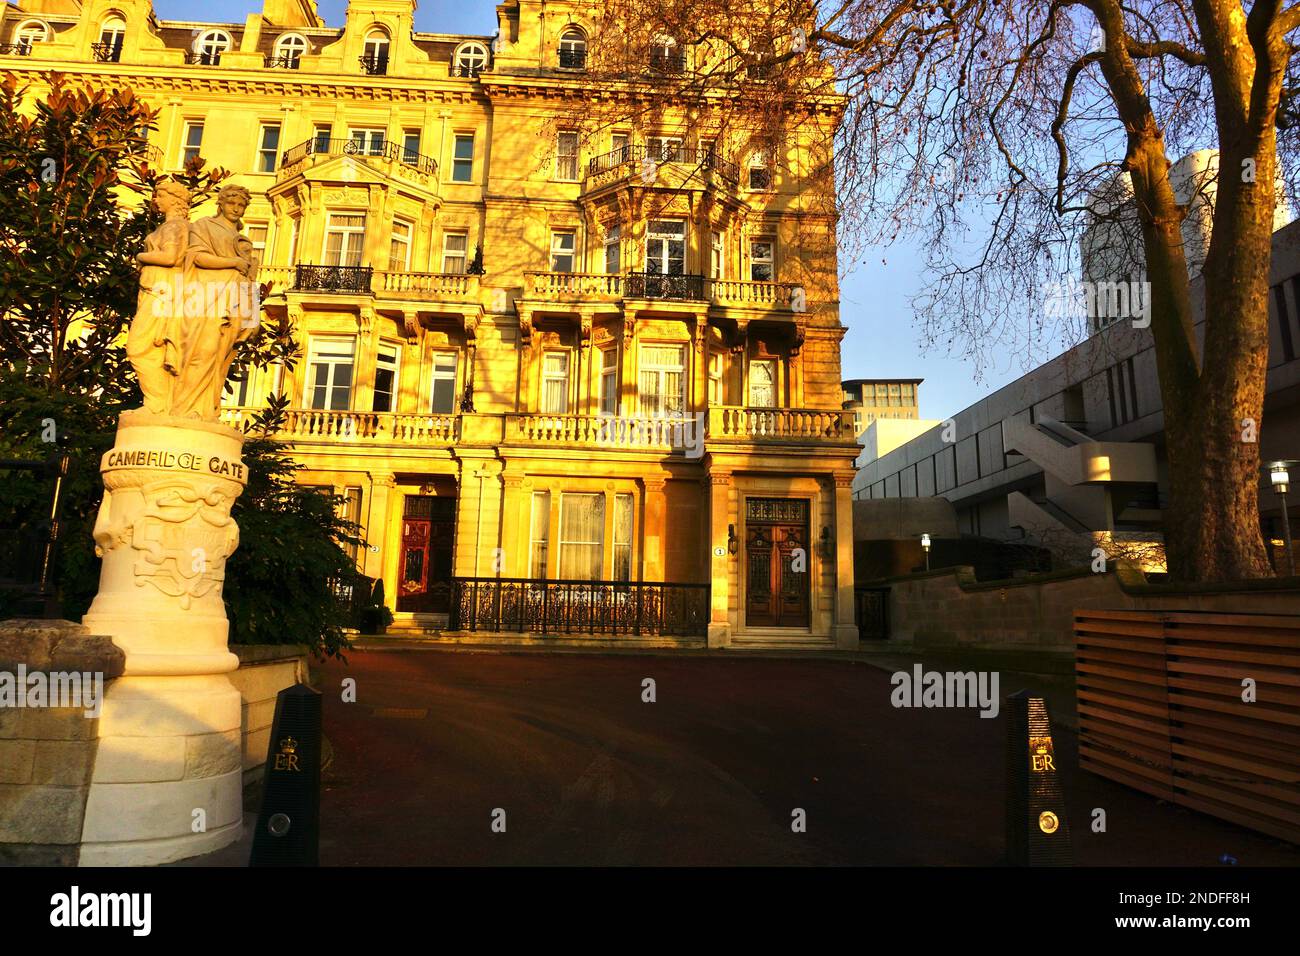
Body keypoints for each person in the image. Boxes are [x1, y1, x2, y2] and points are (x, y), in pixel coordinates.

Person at [173, 184, 260, 419]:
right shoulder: (204, 226)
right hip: (209, 297)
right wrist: (232, 263)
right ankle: (185, 408)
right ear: (220, 203)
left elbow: (249, 279)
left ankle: (207, 410)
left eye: (241, 205)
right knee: (202, 352)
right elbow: (197, 257)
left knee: (221, 359)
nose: (236, 208)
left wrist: (253, 314)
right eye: (231, 203)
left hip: (235, 301)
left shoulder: (243, 240)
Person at [127, 179, 191, 414]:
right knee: (156, 350)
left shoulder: (174, 227)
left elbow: (170, 257)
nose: (156, 200)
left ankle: (156, 403)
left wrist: (141, 257)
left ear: (174, 200)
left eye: (160, 195)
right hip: (157, 291)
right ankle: (160, 403)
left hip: (161, 293)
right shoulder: (174, 227)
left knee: (138, 347)